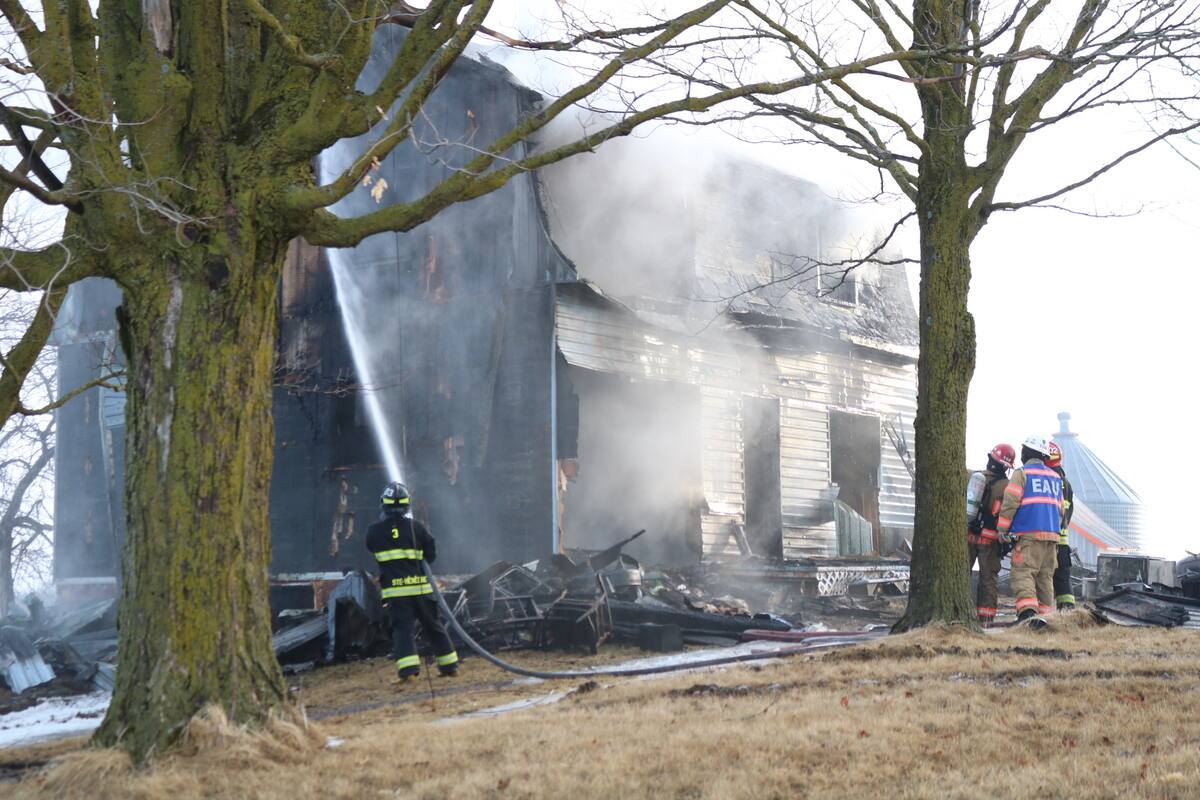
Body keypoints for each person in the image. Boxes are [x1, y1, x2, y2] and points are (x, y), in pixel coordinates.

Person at [366, 481, 459, 682]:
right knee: (433, 626)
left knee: (403, 631)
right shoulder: (417, 528)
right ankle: (450, 667)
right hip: (421, 590)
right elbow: (431, 555)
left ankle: (408, 673)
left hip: (397, 593)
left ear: (384, 504)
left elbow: (371, 547)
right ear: (407, 504)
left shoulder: (374, 531)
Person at [996, 436, 1064, 622]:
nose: (1022, 453)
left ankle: (1028, 615)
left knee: (1023, 573)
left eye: (1024, 449)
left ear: (1029, 452)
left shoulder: (1022, 473)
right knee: (1045, 578)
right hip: (1052, 537)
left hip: (1029, 535)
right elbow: (1061, 510)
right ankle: (1046, 618)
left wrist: (1002, 530)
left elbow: (1010, 503)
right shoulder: (1055, 478)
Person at [966, 443, 1015, 626]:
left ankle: (960, 612)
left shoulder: (973, 478)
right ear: (1006, 467)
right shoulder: (1007, 486)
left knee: (962, 573)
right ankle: (985, 619)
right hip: (990, 539)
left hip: (969, 535)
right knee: (988, 578)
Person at [1046, 441, 1076, 611]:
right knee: (1063, 577)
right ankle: (1067, 611)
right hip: (1062, 541)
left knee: (1042, 576)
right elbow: (1068, 513)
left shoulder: (1045, 480)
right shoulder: (1066, 483)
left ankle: (1040, 613)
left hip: (1045, 539)